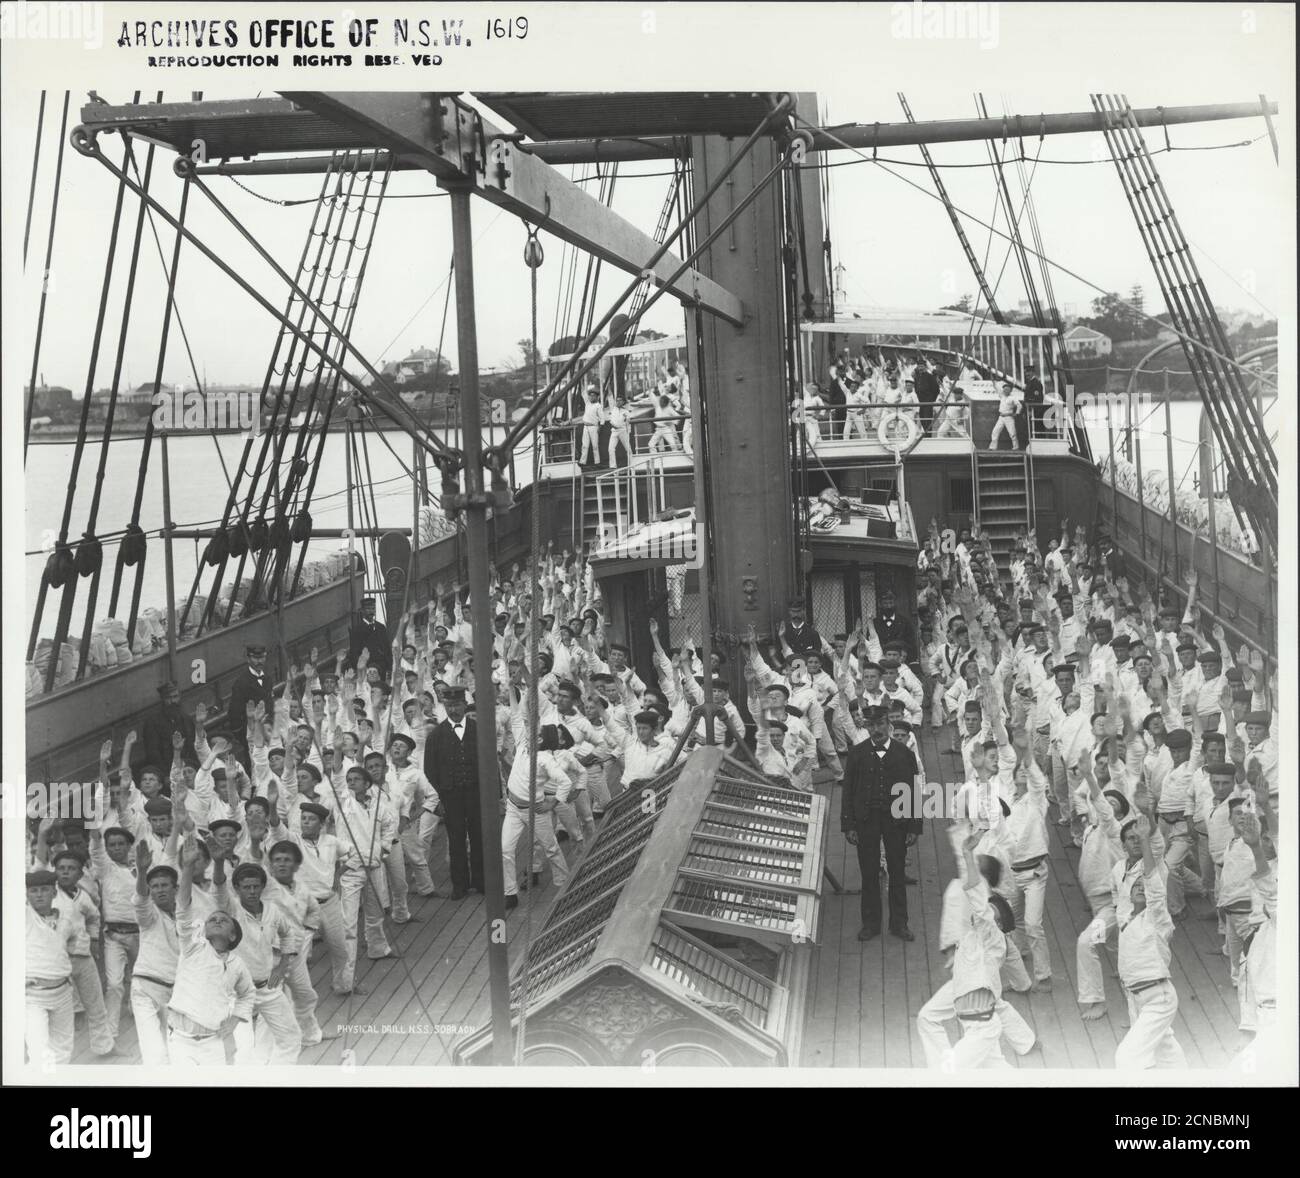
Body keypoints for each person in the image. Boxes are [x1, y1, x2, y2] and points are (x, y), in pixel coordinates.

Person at [168, 834, 255, 1066]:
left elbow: (248, 994)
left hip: (215, 1038)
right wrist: (186, 867)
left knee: (240, 1062)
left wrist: (236, 1018)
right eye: (212, 919)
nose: (216, 920)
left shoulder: (236, 963)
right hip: (182, 1038)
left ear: (233, 934)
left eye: (222, 920)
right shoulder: (193, 945)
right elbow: (183, 909)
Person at [841, 705, 920, 941]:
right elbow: (848, 791)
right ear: (866, 726)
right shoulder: (857, 753)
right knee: (868, 873)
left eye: (881, 724)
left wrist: (914, 826)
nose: (877, 729)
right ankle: (871, 924)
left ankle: (899, 924)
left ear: (889, 725)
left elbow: (913, 791)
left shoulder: (904, 754)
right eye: (871, 725)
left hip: (896, 821)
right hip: (866, 820)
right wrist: (849, 825)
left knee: (896, 872)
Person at [1114, 814, 1185, 1070]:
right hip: (1135, 996)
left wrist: (1145, 839)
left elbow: (1154, 883)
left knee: (1127, 1059)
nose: (1142, 888)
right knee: (1167, 1053)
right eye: (1136, 886)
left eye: (1146, 886)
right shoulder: (1124, 918)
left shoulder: (1157, 918)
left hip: (1157, 995)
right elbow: (1121, 895)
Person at [50, 848, 115, 1057]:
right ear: (55, 872)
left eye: (71, 869)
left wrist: (94, 939)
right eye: (61, 869)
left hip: (83, 957)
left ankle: (104, 1047)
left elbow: (94, 918)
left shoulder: (83, 896)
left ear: (80, 874)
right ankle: (57, 1054)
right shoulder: (49, 896)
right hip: (58, 959)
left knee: (96, 1004)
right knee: (58, 1008)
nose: (66, 873)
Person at [423, 686, 485, 900]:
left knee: (478, 837)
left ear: (464, 705)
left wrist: (493, 795)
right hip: (451, 796)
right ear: (445, 707)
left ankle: (480, 880)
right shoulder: (436, 736)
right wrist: (438, 798)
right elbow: (429, 770)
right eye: (449, 706)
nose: (453, 709)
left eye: (457, 705)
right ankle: (460, 885)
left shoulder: (479, 729)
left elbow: (489, 763)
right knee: (456, 840)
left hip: (476, 793)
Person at [130, 842, 179, 1066]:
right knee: (155, 1054)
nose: (159, 889)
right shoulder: (148, 915)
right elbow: (140, 901)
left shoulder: (187, 916)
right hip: (146, 988)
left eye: (164, 885)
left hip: (176, 992)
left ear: (175, 889)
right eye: (155, 886)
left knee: (176, 1050)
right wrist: (141, 872)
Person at [26, 868, 79, 1068]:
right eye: (33, 890)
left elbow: (71, 945)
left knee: (63, 1049)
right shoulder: (24, 917)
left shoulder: (65, 919)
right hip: (34, 995)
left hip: (63, 992)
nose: (39, 895)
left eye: (44, 890)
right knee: (40, 1053)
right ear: (26, 894)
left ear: (54, 893)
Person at [141, 681, 197, 774]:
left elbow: (192, 747)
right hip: (166, 770)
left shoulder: (186, 719)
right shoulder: (152, 722)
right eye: (168, 698)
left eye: (175, 697)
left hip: (187, 768)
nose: (173, 701)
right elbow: (153, 754)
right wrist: (167, 775)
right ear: (163, 699)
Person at [348, 599, 391, 681]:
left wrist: (389, 667)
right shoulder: (357, 630)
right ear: (362, 611)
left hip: (382, 667)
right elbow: (354, 652)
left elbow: (387, 649)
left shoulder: (381, 627)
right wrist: (359, 667)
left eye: (373, 608)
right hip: (366, 667)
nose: (371, 611)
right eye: (368, 609)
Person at [988, 381, 1021, 451]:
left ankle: (1016, 447)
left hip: (1009, 417)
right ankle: (993, 447)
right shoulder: (1002, 396)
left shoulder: (1013, 398)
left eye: (1007, 389)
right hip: (1001, 417)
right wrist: (993, 381)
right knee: (995, 431)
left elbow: (1019, 405)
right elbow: (996, 388)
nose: (1005, 391)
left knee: (1012, 433)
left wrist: (1017, 413)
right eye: (1004, 389)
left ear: (1010, 390)